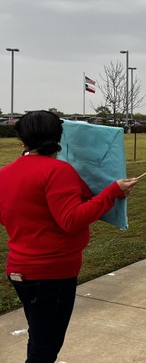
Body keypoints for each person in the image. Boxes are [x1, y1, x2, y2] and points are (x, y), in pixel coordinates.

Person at [0, 110, 138, 363]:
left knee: (40, 337)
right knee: (45, 348)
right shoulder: (57, 171)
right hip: (51, 273)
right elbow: (71, 220)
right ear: (59, 136)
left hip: (19, 270)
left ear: (22, 139)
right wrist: (112, 192)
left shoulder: (4, 173)